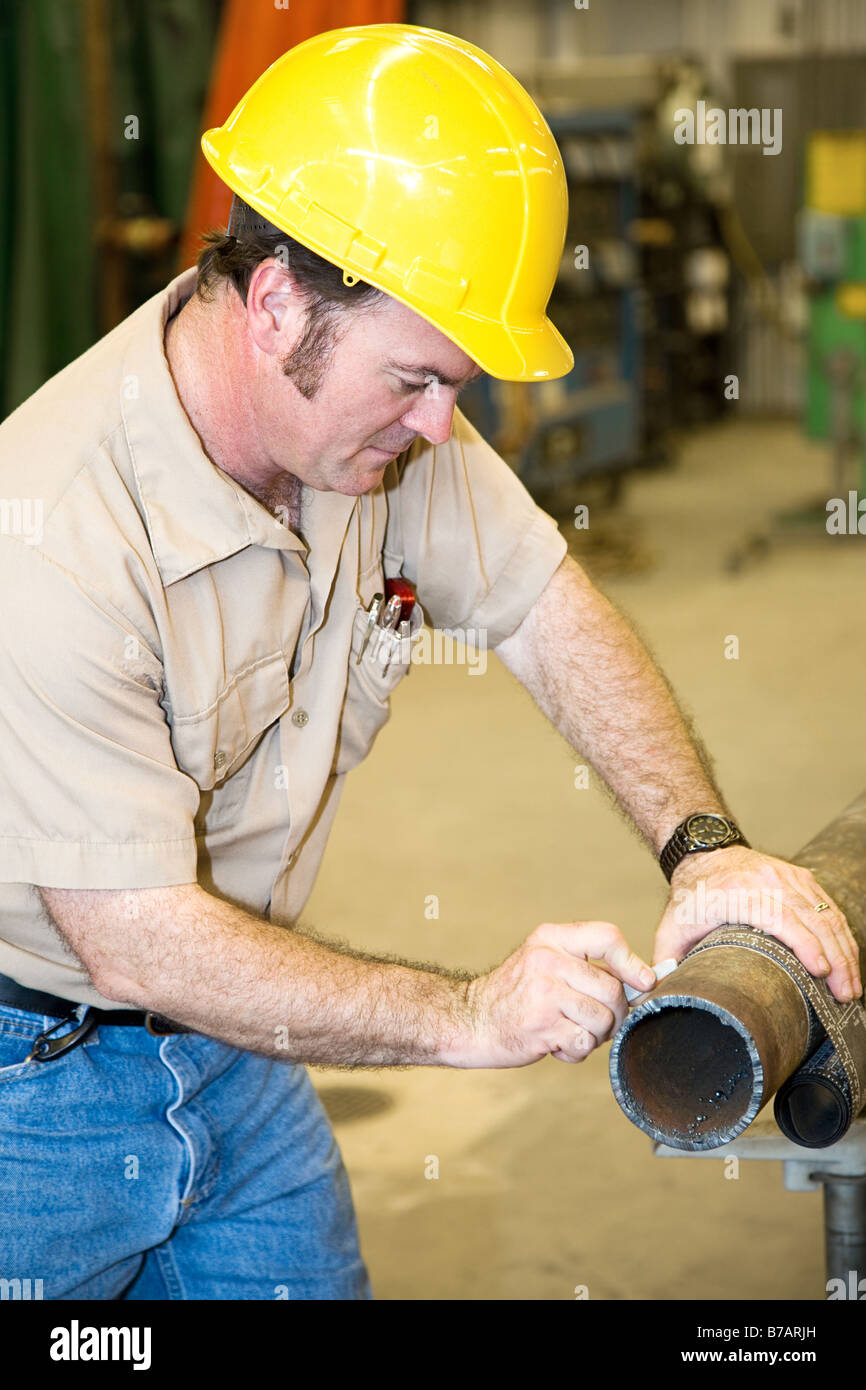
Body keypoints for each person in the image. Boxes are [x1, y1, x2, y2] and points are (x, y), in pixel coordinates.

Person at [0, 23, 858, 1302]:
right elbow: (137, 943)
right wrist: (468, 1017)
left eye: (452, 383)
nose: (440, 426)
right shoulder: (52, 532)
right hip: (37, 1093)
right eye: (413, 379)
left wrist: (703, 847)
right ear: (277, 302)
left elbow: (543, 609)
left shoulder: (378, 431)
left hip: (241, 1053)